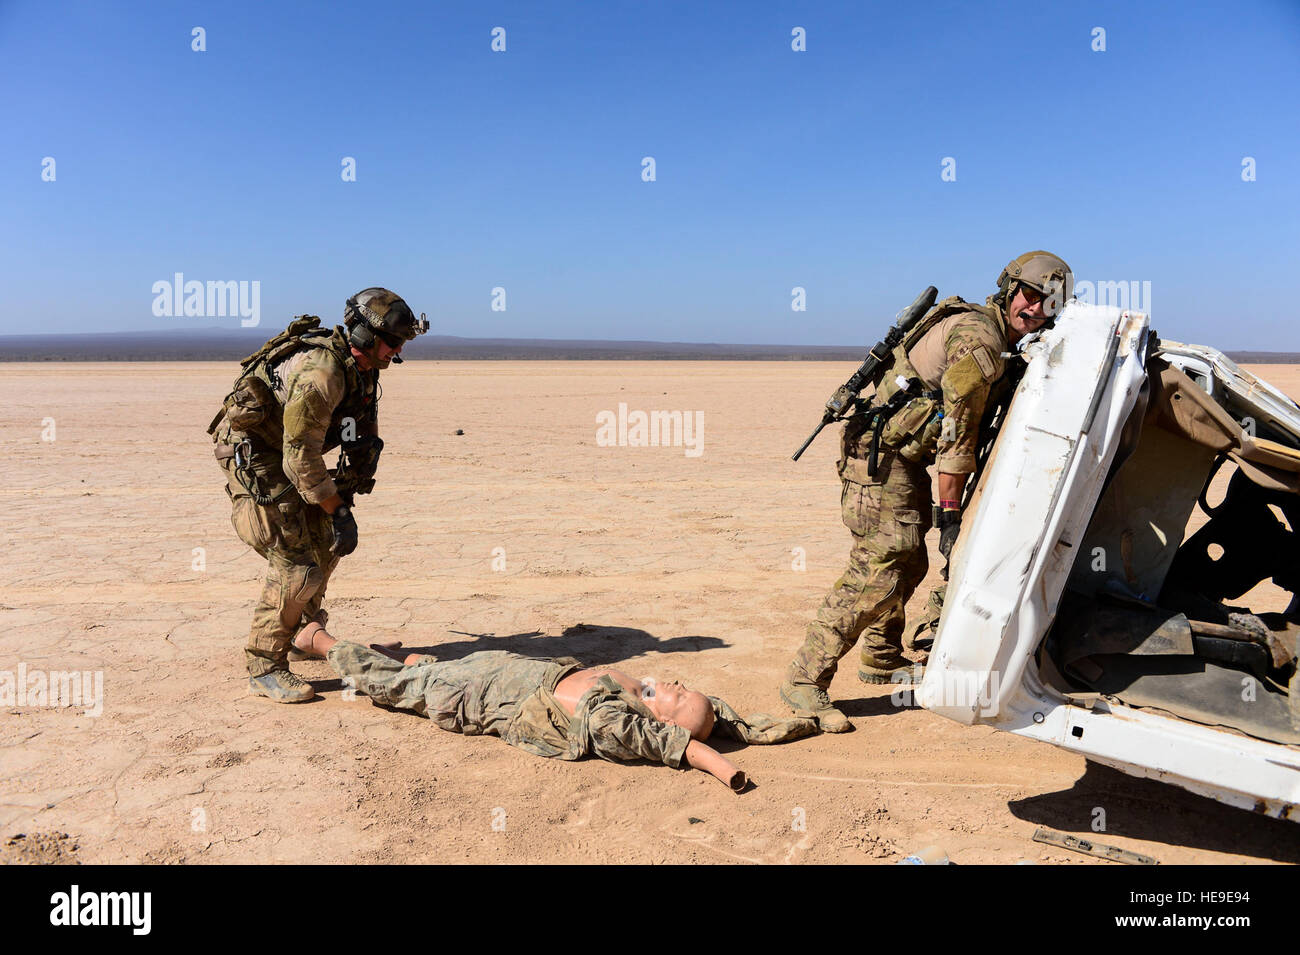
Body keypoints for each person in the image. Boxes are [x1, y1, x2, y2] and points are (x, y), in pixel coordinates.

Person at [779, 252, 1073, 732]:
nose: (1037, 308)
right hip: (879, 457)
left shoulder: (1004, 341)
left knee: (908, 559)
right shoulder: (980, 342)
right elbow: (958, 440)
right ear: (1008, 289)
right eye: (1030, 295)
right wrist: (951, 515)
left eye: (1049, 303)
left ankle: (880, 655)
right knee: (884, 561)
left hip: (901, 454)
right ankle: (805, 677)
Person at [207, 288, 428, 702]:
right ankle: (264, 663)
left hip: (291, 451)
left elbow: (362, 427)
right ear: (365, 334)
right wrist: (339, 510)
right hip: (258, 452)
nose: (397, 351)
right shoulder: (321, 374)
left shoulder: (364, 367)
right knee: (295, 558)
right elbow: (299, 460)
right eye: (393, 341)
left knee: (326, 540)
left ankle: (303, 630)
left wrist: (351, 485)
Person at [291, 622, 819, 790]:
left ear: (665, 720)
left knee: (403, 687)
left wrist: (729, 772)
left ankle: (318, 640)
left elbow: (686, 749)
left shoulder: (622, 722)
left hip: (493, 699)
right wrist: (796, 723)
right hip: (523, 668)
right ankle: (411, 660)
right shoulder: (648, 693)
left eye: (679, 696)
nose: (677, 684)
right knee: (434, 668)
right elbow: (724, 715)